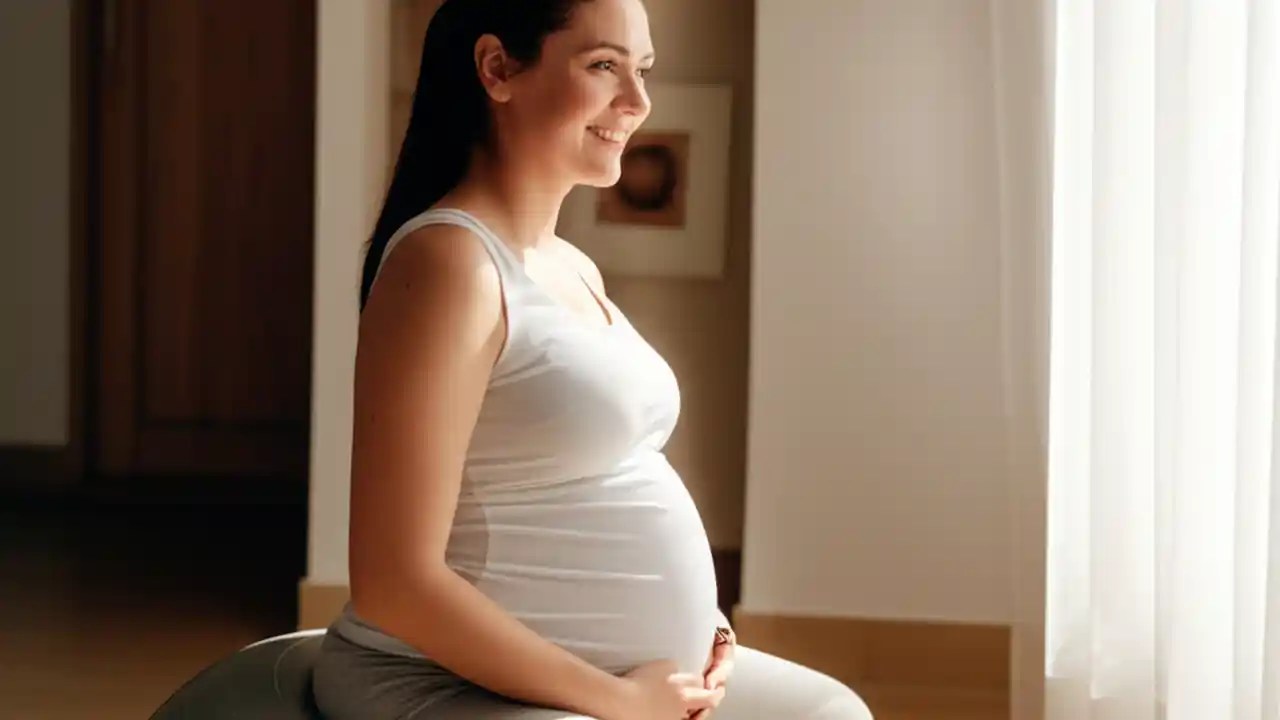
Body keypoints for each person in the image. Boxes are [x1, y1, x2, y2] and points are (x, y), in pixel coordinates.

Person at [310, 0, 874, 718]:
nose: (637, 102)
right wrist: (618, 702)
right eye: (604, 66)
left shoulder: (569, 265)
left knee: (831, 712)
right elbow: (394, 580)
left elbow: (602, 481)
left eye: (642, 70)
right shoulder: (449, 265)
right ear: (497, 68)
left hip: (611, 678)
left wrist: (705, 627)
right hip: (438, 678)